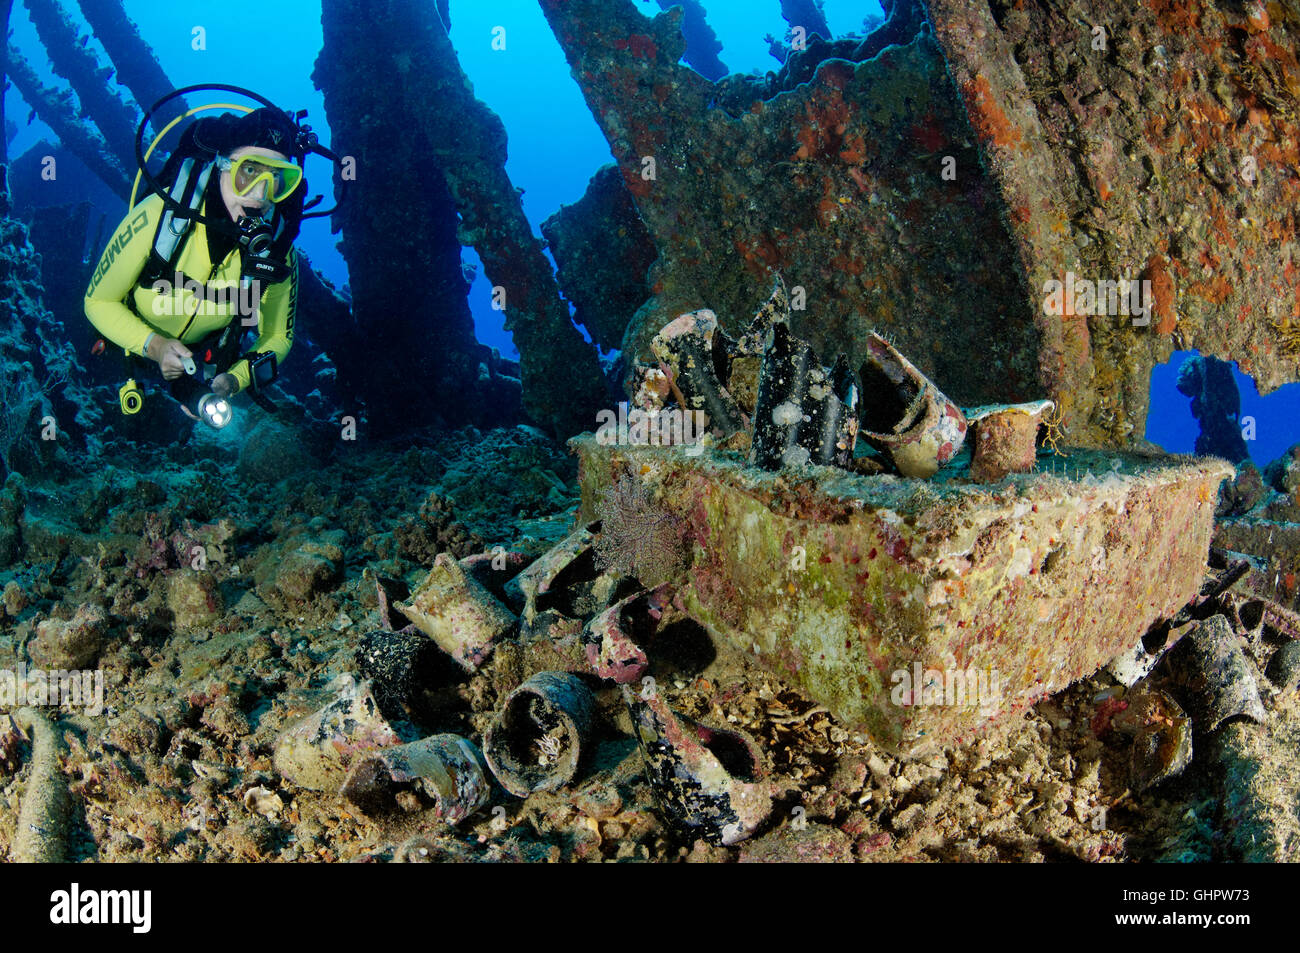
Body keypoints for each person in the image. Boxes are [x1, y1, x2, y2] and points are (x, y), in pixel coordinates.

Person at [84, 107, 305, 426]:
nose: (260, 194)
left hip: (198, 360)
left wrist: (233, 381)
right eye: (249, 171)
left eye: (278, 180)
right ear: (222, 165)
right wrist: (154, 346)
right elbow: (98, 300)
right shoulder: (162, 212)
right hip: (123, 341)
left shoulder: (278, 251)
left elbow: (277, 336)